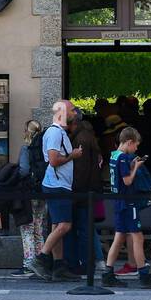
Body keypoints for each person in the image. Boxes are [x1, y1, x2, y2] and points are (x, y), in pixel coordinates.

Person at [29, 100, 84, 281]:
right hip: (57, 185)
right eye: (72, 110)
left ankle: (59, 265)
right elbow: (53, 160)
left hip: (58, 184)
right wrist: (73, 155)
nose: (75, 113)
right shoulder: (55, 133)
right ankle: (42, 257)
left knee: (56, 226)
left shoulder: (59, 132)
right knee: (64, 225)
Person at [104, 127, 151, 288]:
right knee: (138, 237)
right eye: (135, 145)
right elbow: (128, 181)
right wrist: (136, 167)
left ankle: (108, 272)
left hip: (118, 201)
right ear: (129, 142)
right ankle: (143, 274)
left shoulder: (114, 155)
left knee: (119, 236)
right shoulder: (123, 158)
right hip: (128, 202)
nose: (136, 149)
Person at [65, 115, 104, 277]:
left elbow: (80, 170)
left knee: (81, 230)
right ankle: (86, 264)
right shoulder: (87, 137)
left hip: (81, 192)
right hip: (88, 191)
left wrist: (74, 192)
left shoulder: (80, 139)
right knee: (85, 229)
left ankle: (81, 265)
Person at [11, 119, 48, 278]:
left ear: (27, 132)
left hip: (28, 193)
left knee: (27, 228)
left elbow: (24, 170)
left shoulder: (26, 148)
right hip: (42, 191)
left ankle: (28, 264)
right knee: (39, 229)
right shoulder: (44, 148)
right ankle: (40, 262)